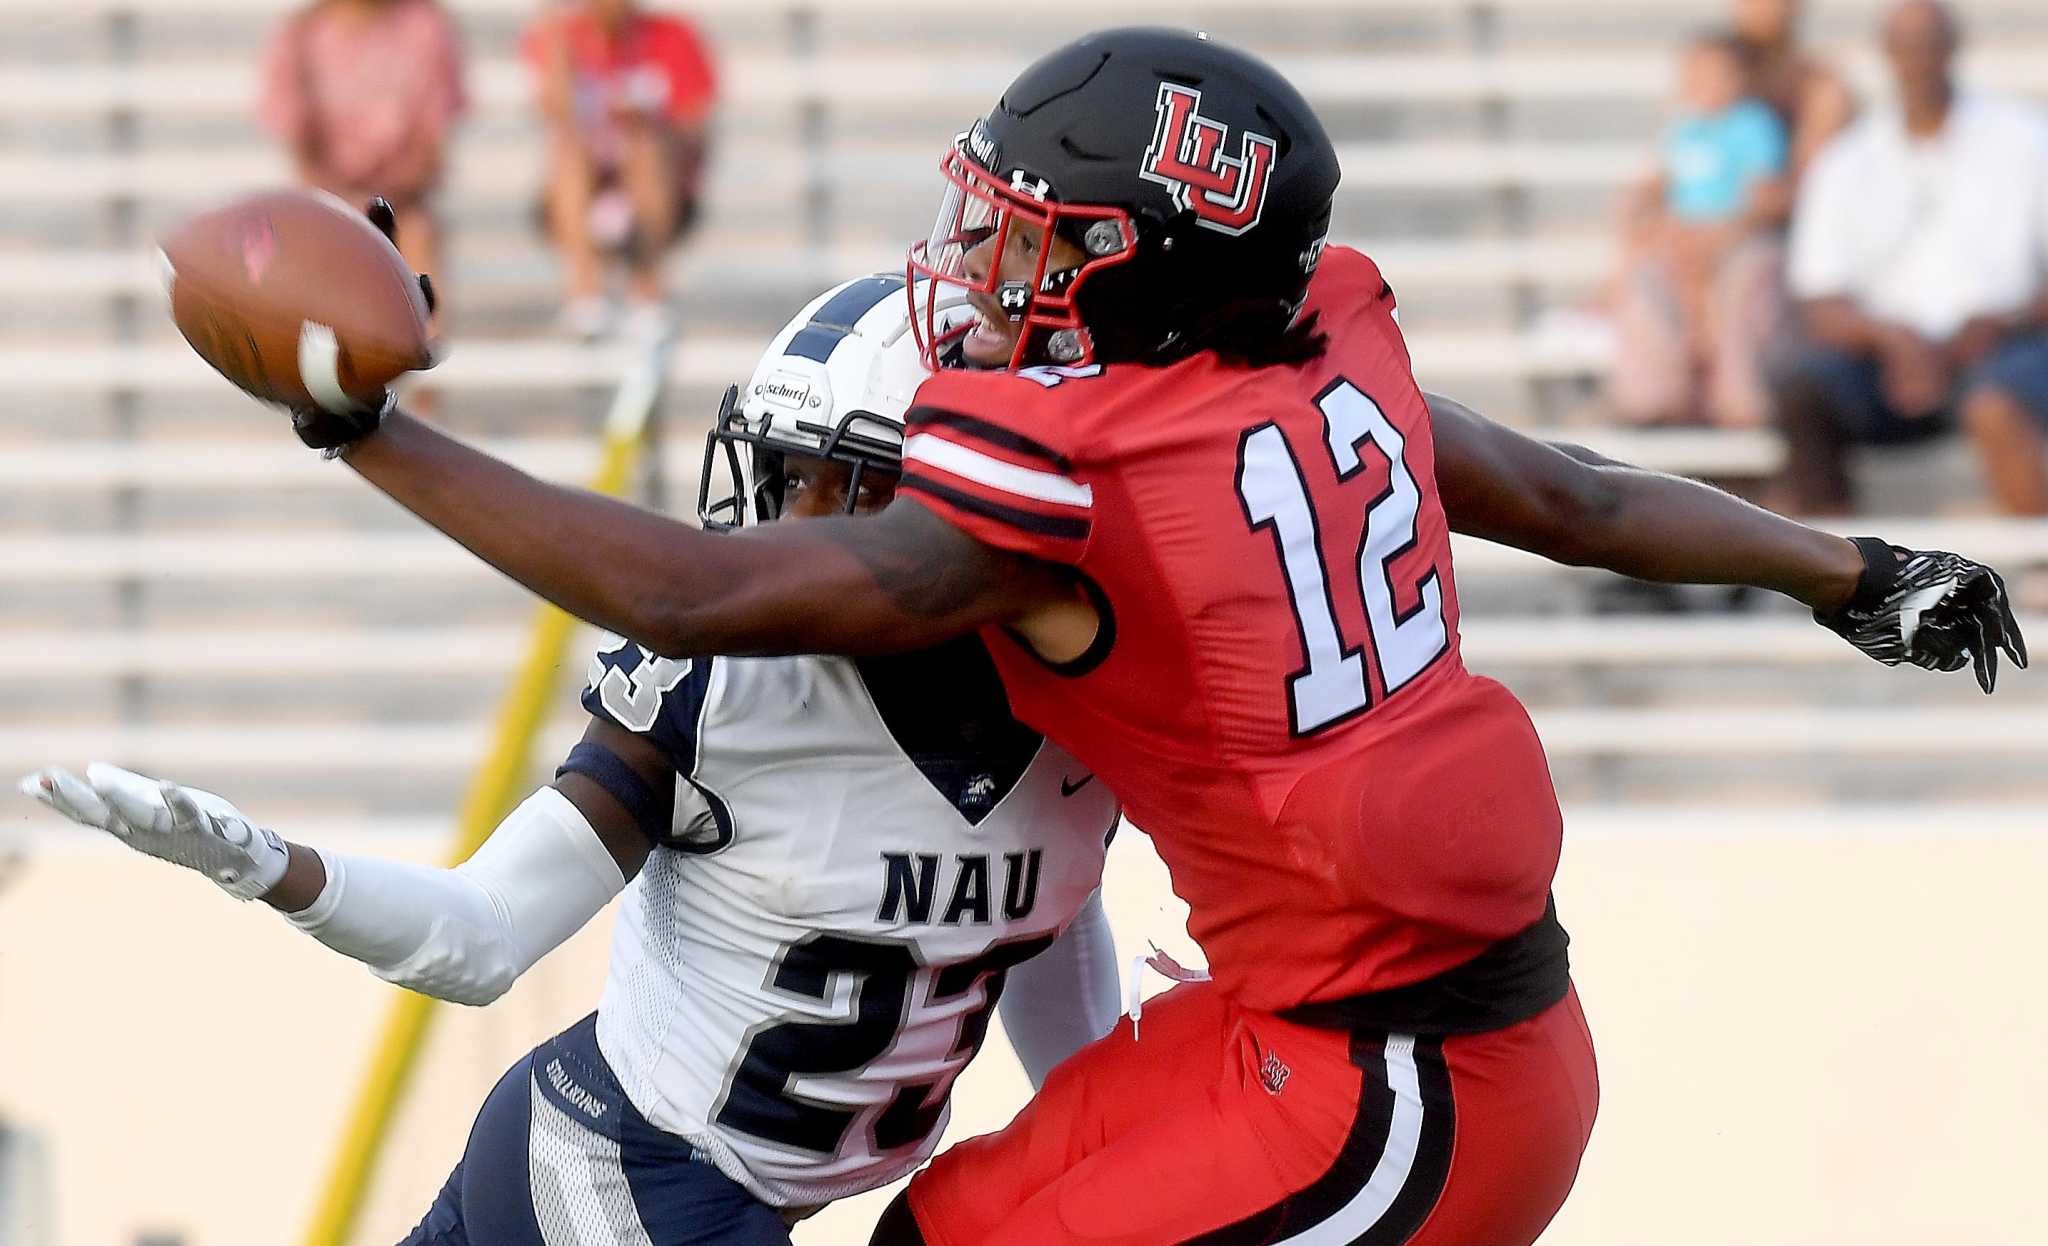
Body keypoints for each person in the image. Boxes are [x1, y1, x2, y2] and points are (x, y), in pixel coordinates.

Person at [260, 28, 2021, 1245]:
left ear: (1143, 266)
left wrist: (365, 435)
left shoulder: (1079, 471)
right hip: (1314, 1011)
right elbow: (1569, 491)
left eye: (1038, 243)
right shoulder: (1325, 338)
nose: (983, 271)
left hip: (1398, 1076)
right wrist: (1845, 570)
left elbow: (684, 593)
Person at [20, 276, 1122, 1245]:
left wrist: (1119, 1141)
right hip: (611, 1167)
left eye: (839, 484)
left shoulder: (1092, 702)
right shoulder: (724, 690)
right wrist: (265, 864)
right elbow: (479, 933)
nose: (788, 523)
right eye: (782, 475)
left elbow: (1043, 904)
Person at [1775, 0, 2048, 515]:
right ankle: (1832, 572)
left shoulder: (2025, 139)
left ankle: (2037, 563)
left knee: (1996, 403)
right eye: (1905, 47)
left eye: (1929, 45)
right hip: (1886, 356)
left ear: (1954, 49)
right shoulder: (1848, 158)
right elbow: (1818, 298)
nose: (1918, 60)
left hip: (2004, 345)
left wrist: (2000, 325)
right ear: (1886, 53)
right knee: (1802, 389)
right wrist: (1890, 340)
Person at [1609, 29, 1789, 427]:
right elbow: (1661, 184)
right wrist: (1644, 217)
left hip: (1731, 236)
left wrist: (1720, 236)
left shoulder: (1752, 126)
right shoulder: (1683, 129)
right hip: (1682, 237)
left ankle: (1739, 397)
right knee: (1645, 282)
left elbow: (1763, 195)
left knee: (1741, 285)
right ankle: (1657, 394)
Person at [524, 0, 717, 342]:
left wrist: (645, 127)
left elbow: (695, 128)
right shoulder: (563, 37)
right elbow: (555, 113)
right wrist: (559, 51)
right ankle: (586, 294)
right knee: (570, 151)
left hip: (658, 188)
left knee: (644, 146)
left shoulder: (672, 36)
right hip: (583, 189)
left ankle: (648, 291)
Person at [259, 0, 466, 310]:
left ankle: (422, 348)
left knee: (416, 235)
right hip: (327, 203)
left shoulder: (426, 27)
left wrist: (379, 204)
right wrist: (342, 204)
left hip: (401, 204)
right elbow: (301, 149)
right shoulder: (302, 34)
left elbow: (429, 151)